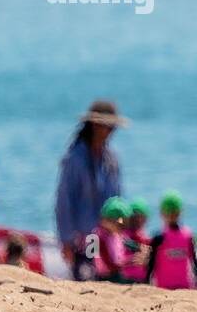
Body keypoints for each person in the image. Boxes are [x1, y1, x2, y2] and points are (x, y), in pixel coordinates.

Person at [56, 100, 128, 281]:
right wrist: (65, 240)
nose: (111, 131)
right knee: (89, 279)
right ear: (94, 126)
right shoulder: (75, 159)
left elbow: (118, 199)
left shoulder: (111, 159)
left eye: (113, 127)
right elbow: (64, 201)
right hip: (86, 238)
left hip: (110, 239)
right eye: (107, 126)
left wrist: (121, 229)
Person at [146, 192, 197, 290]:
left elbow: (150, 265)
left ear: (162, 213)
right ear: (181, 212)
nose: (171, 215)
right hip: (177, 287)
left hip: (171, 287)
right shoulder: (188, 236)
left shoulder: (160, 237)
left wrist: (146, 283)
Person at [93, 197, 130, 282]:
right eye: (119, 224)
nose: (121, 228)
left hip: (115, 271)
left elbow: (119, 254)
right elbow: (97, 260)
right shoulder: (98, 236)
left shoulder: (115, 235)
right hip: (104, 276)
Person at [120, 198, 152, 283]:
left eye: (140, 217)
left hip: (142, 279)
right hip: (125, 279)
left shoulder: (145, 238)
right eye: (135, 217)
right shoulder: (123, 235)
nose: (138, 220)